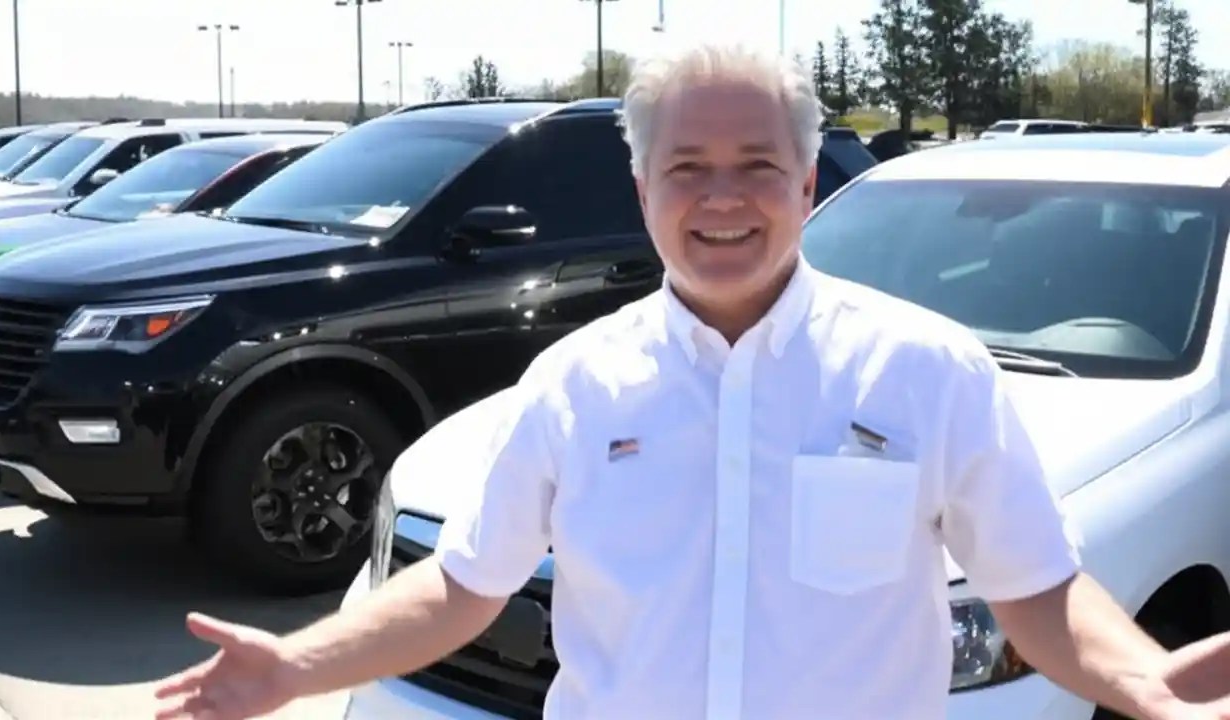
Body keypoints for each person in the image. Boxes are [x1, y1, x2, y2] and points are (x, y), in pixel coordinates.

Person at [154, 42, 1230, 720]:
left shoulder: (924, 371)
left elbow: (1033, 587)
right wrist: (300, 666)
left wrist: (1138, 679)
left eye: (758, 164)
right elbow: (459, 586)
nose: (723, 196)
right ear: (640, 186)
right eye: (687, 167)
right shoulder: (574, 384)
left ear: (806, 182)